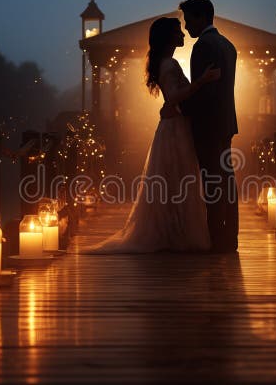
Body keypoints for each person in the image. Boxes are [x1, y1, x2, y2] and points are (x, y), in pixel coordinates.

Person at [80, 17, 220, 253]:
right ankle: (174, 233)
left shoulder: (166, 63)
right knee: (177, 178)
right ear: (168, 37)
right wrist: (202, 82)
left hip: (175, 124)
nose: (183, 34)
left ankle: (175, 231)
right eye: (178, 31)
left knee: (177, 179)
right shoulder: (169, 65)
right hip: (175, 128)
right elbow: (174, 96)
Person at [167, 0, 239, 253]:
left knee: (212, 184)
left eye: (188, 20)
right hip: (225, 123)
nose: (186, 27)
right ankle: (230, 238)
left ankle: (218, 240)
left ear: (201, 17)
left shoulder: (203, 47)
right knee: (227, 180)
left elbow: (205, 93)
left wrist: (179, 109)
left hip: (208, 126)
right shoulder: (228, 45)